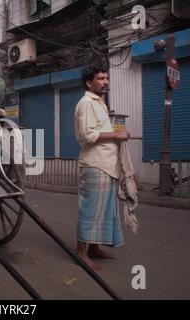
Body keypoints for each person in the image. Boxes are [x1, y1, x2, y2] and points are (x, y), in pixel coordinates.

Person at [74, 64, 130, 271]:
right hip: (94, 164)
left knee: (104, 211)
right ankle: (81, 253)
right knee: (89, 210)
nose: (106, 82)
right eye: (100, 78)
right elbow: (87, 136)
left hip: (107, 164)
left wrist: (118, 133)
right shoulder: (86, 103)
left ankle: (94, 249)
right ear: (89, 83)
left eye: (106, 78)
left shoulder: (100, 103)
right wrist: (117, 135)